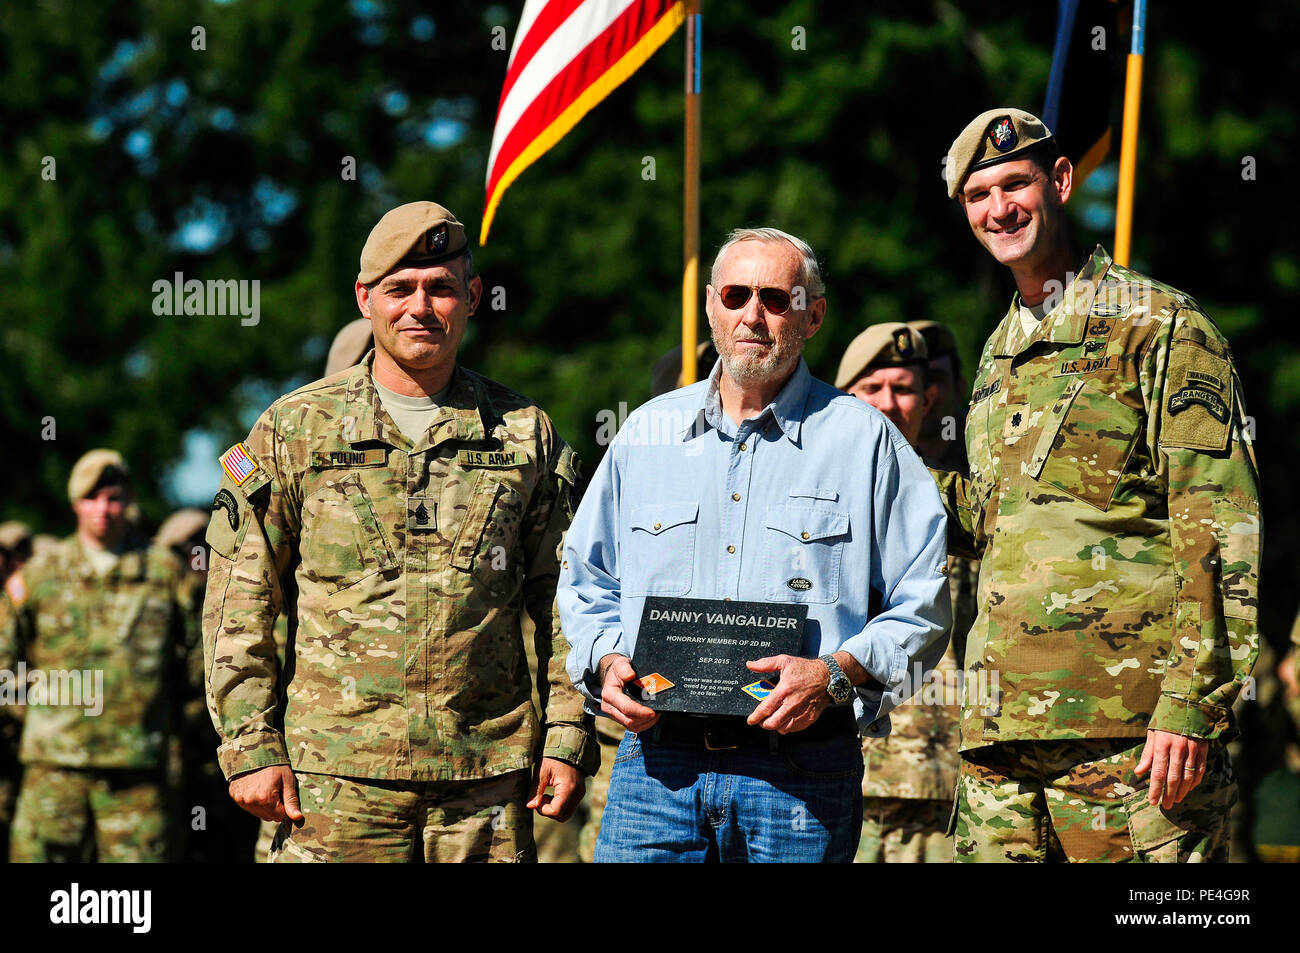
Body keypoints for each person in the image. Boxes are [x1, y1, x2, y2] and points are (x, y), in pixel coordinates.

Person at [203, 200, 597, 862]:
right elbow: (238, 601)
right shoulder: (292, 429)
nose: (420, 306)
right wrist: (249, 744)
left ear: (471, 296)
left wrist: (566, 732)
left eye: (441, 287)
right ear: (365, 298)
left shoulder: (525, 432)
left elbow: (566, 599)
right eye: (400, 289)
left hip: (484, 787)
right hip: (331, 783)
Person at [559, 227, 952, 862]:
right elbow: (586, 581)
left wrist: (835, 674)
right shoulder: (644, 435)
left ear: (813, 314)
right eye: (737, 294)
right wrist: (605, 662)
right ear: (711, 304)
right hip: (655, 768)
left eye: (776, 297)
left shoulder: (866, 443)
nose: (753, 315)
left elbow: (925, 604)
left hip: (800, 772)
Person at [936, 107, 1262, 861]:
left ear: (1060, 180)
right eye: (979, 196)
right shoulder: (999, 352)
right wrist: (863, 461)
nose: (1000, 209)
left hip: (1131, 741)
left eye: (1015, 184)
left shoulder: (1158, 326)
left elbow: (1219, 522)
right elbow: (997, 519)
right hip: (1000, 743)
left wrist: (1191, 704)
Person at [834, 322, 978, 863]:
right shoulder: (808, 493)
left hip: (946, 781)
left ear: (929, 399)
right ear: (843, 395)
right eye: (871, 389)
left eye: (904, 389)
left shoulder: (962, 501)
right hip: (844, 767)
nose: (888, 404)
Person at [1, 450, 186, 861]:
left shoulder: (163, 573)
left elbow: (194, 664)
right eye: (91, 498)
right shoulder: (38, 575)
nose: (103, 509)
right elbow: (6, 664)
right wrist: (38, 717)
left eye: (113, 497)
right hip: (53, 769)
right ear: (75, 504)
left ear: (128, 500)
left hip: (137, 772)